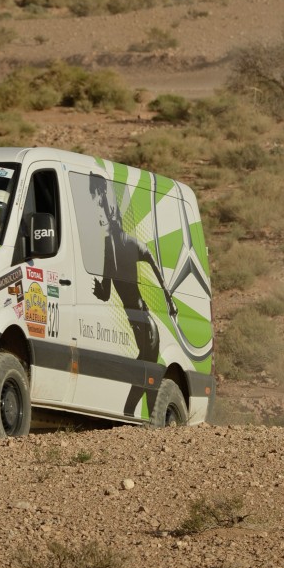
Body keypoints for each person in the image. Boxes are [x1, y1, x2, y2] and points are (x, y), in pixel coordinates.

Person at [88, 172, 178, 418]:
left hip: (146, 324)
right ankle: (143, 422)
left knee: (146, 383)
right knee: (146, 383)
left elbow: (155, 268)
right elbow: (106, 293)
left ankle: (138, 419)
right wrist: (97, 288)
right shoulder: (113, 249)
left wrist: (169, 299)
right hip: (140, 324)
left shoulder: (128, 244)